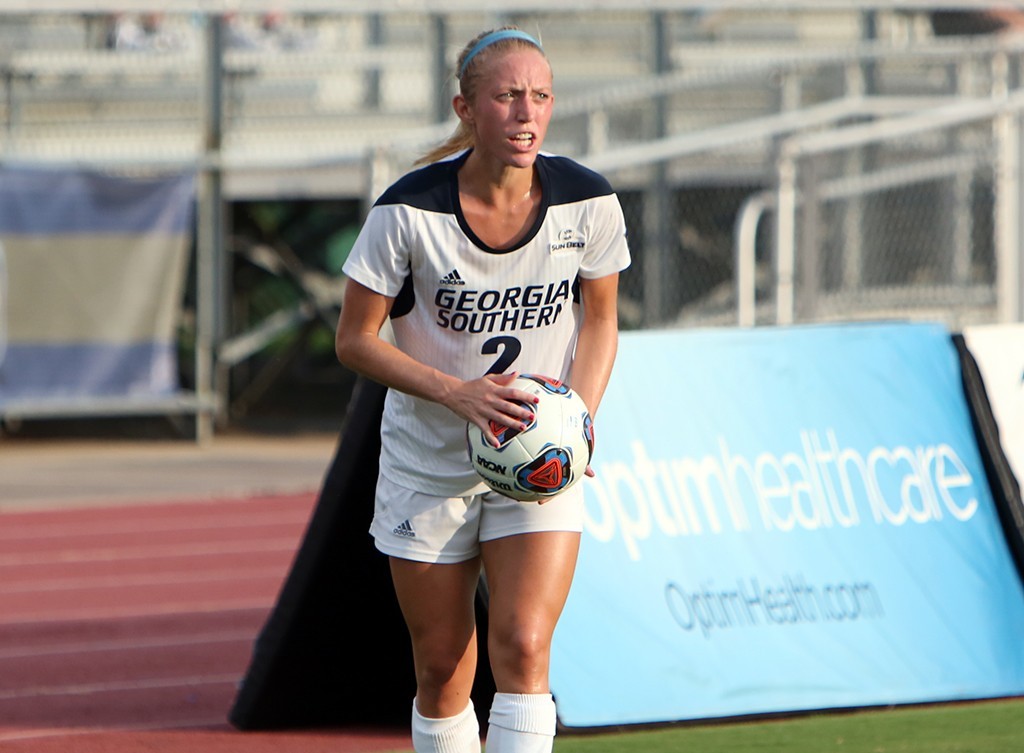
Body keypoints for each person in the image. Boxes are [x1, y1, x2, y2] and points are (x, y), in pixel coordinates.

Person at [335, 26, 630, 753]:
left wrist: (579, 421)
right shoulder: (407, 212)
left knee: (526, 647)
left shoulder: (588, 202)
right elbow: (354, 340)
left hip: (533, 458)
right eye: (506, 96)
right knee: (442, 667)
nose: (526, 112)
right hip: (429, 462)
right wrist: (455, 392)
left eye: (540, 95)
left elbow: (600, 322)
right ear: (465, 108)